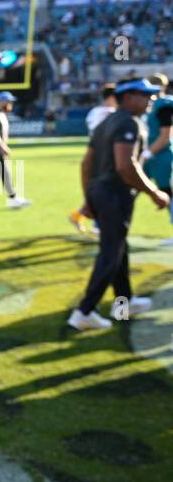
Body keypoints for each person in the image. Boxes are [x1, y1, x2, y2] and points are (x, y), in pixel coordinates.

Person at [69, 78, 170, 331]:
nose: (150, 100)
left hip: (101, 192)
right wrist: (154, 192)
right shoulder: (128, 123)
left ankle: (125, 302)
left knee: (119, 249)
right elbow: (125, 166)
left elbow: (86, 165)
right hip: (114, 194)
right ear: (127, 98)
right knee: (111, 254)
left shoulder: (106, 122)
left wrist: (88, 198)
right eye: (144, 95)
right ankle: (84, 312)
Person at [70, 82, 116, 234]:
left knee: (102, 189)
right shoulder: (105, 113)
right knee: (104, 189)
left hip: (100, 153)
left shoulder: (96, 112)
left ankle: (80, 216)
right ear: (110, 97)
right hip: (102, 154)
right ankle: (96, 223)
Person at [140, 73, 173, 246]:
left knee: (168, 193)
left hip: (161, 156)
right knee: (129, 186)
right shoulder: (147, 106)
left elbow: (166, 135)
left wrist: (148, 153)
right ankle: (103, 224)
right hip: (148, 155)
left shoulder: (164, 105)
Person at [0, 90, 29, 208]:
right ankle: (12, 199)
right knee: (3, 174)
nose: (10, 104)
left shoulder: (1, 115)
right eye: (8, 102)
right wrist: (2, 146)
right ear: (1, 102)